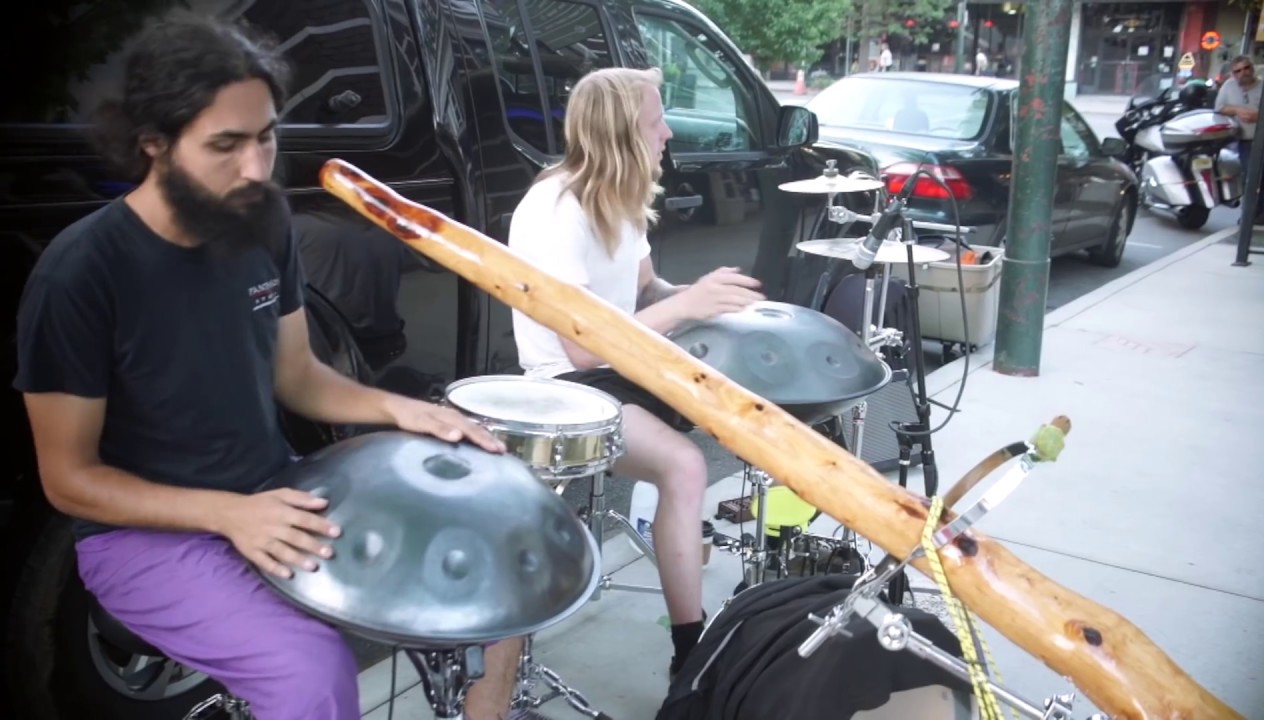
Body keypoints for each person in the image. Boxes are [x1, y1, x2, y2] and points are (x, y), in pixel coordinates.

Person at [12, 14, 530, 720]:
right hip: (144, 537)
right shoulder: (82, 272)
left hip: (276, 488)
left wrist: (401, 410)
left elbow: (297, 376)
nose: (257, 167)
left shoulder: (264, 224)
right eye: (225, 144)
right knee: (311, 674)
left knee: (498, 558)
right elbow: (68, 479)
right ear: (153, 142)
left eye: (266, 136)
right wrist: (229, 514)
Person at [506, 66, 765, 678]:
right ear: (621, 133)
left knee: (752, 411)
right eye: (656, 121)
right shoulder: (555, 208)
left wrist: (719, 309)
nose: (669, 132)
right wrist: (687, 305)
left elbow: (648, 289)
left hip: (620, 364)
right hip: (565, 389)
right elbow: (582, 351)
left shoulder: (618, 197)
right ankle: (690, 653)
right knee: (685, 464)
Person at [1214, 54, 1264, 226]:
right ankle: (1249, 213)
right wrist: (1236, 109)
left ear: (1252, 68)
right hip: (1247, 139)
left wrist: (1259, 115)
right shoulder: (1228, 86)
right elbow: (1219, 108)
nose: (1243, 73)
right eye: (1238, 70)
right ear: (1233, 74)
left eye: (1246, 68)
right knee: (1250, 178)